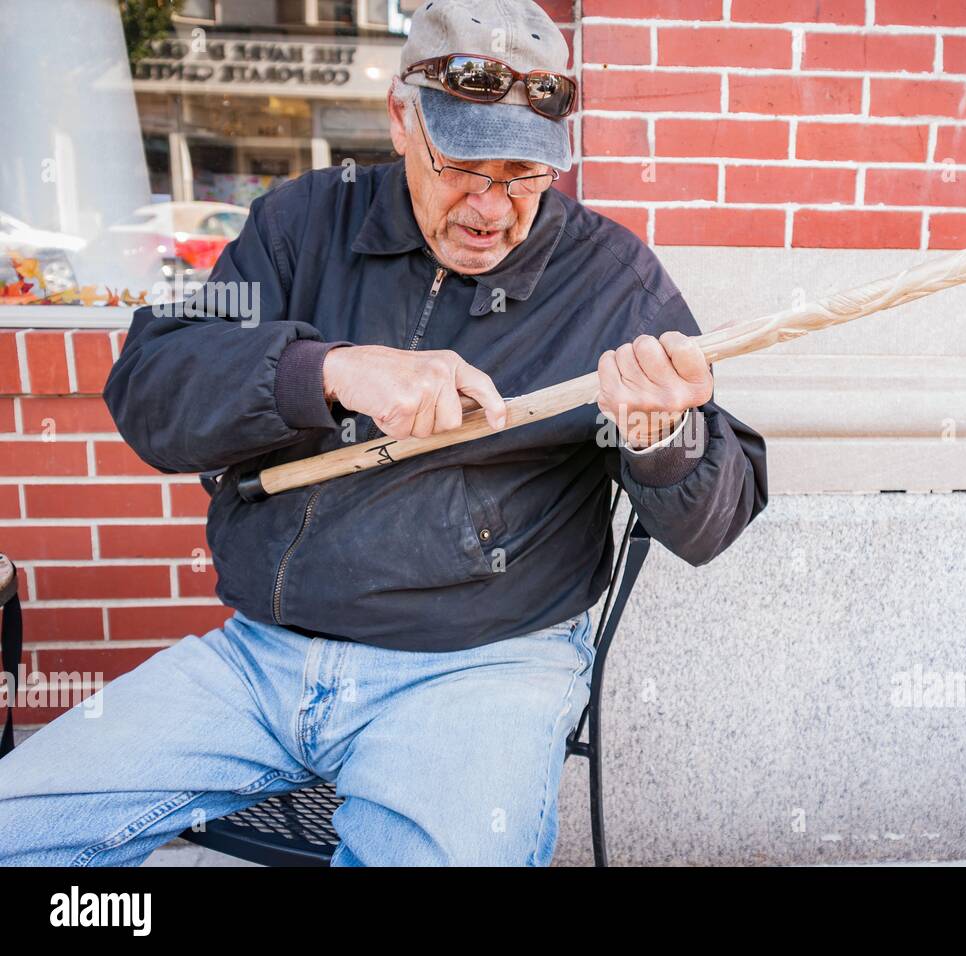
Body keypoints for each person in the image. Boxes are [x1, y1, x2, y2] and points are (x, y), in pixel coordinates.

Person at [0, 0, 766, 866]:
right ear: (403, 118)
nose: (493, 209)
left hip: (480, 668)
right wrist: (326, 372)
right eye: (465, 167)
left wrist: (663, 435)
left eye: (524, 174)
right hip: (262, 658)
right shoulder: (302, 225)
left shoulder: (612, 279)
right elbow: (149, 389)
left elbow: (715, 521)